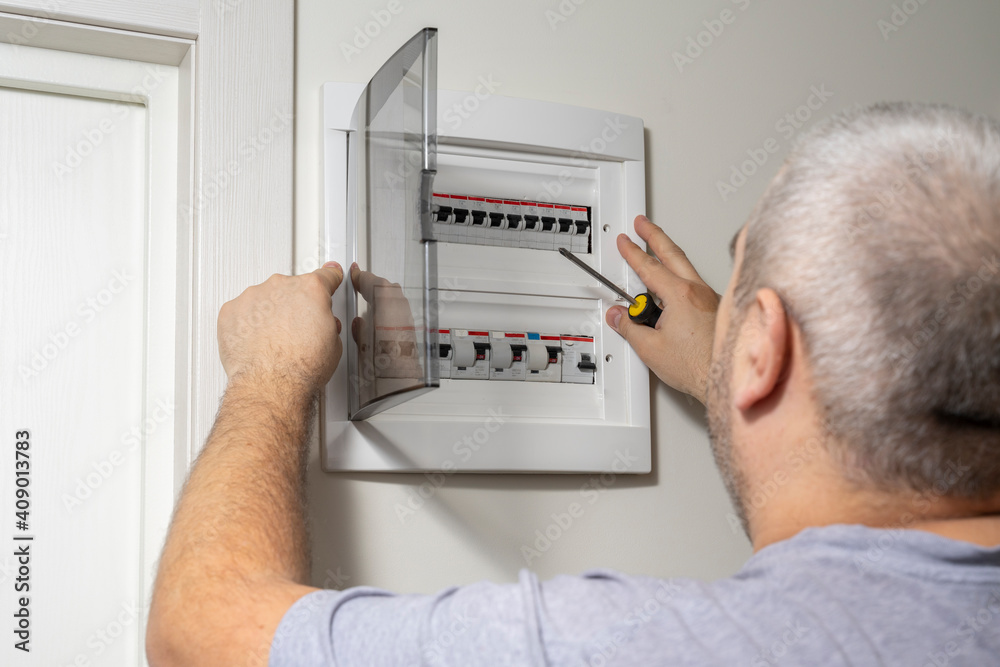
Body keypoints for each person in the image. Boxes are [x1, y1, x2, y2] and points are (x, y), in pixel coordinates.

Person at [146, 102, 1000, 666]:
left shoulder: (622, 645)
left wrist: (267, 377)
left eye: (737, 289)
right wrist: (725, 369)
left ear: (764, 351)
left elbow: (196, 633)